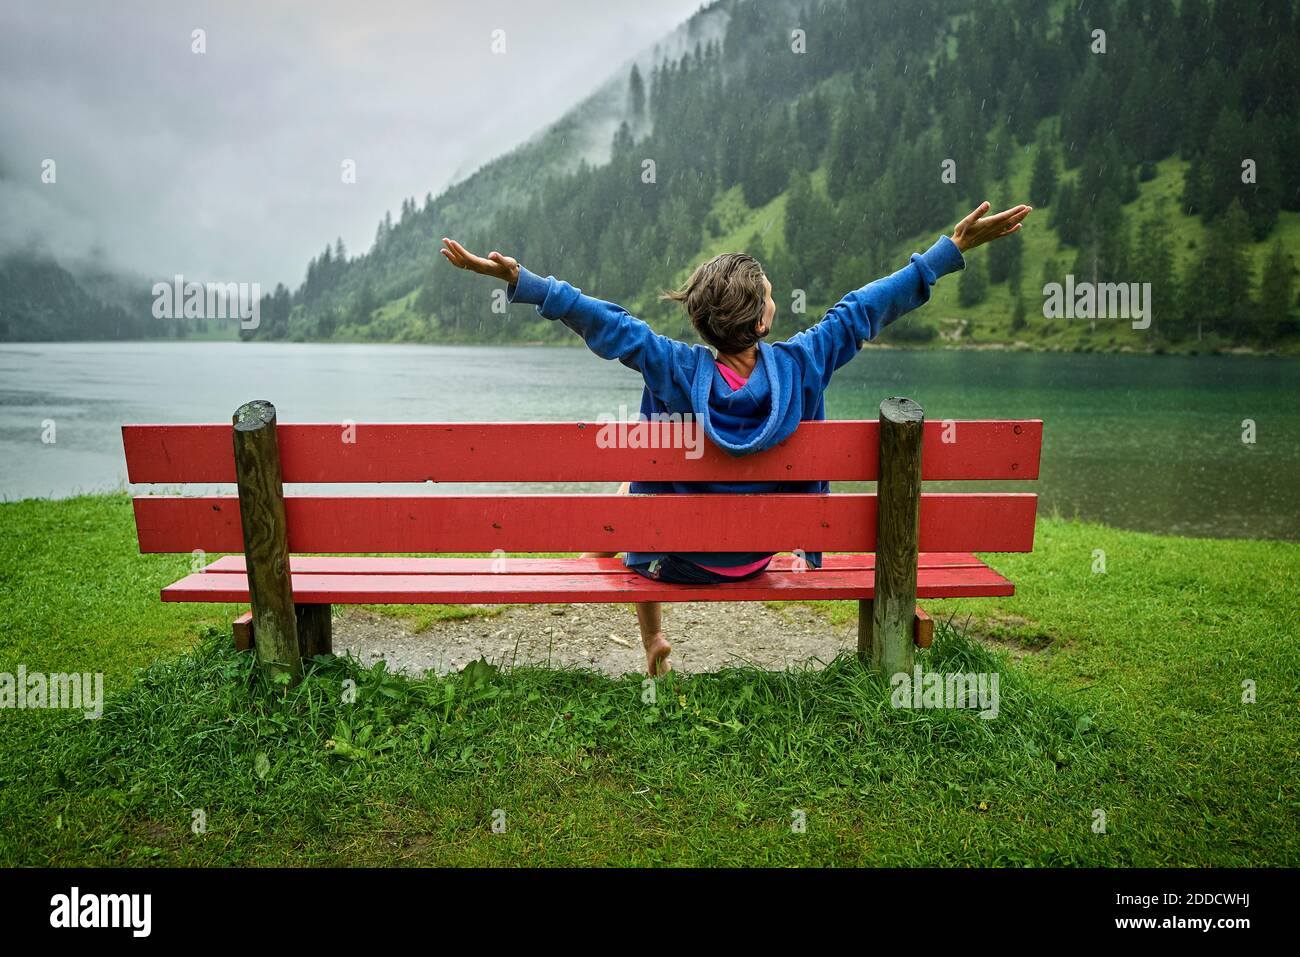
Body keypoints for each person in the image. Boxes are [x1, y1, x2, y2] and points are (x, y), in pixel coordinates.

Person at [441, 200, 1032, 675]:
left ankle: (651, 638)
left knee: (634, 498)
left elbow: (609, 324)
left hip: (674, 562)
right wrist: (947, 252)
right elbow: (862, 311)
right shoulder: (803, 364)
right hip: (756, 556)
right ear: (762, 321)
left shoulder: (674, 367)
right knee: (644, 501)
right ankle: (618, 569)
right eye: (770, 293)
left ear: (703, 322)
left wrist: (524, 280)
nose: (774, 297)